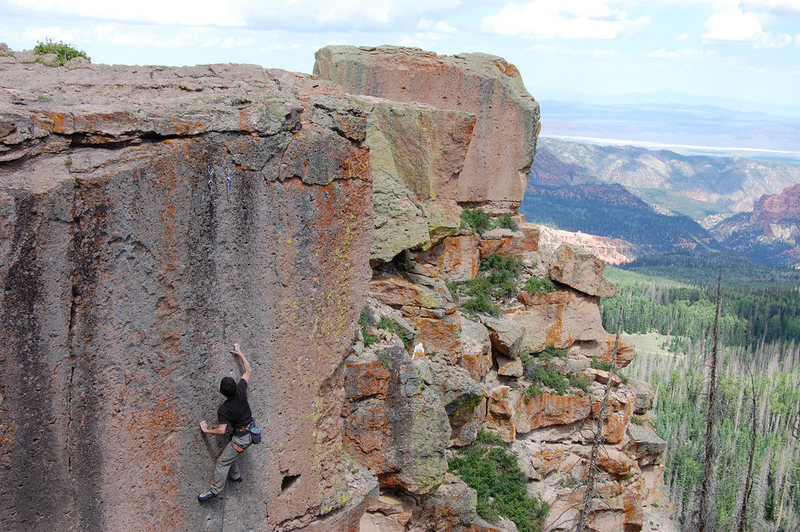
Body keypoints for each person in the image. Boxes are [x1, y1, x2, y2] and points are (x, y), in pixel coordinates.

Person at [197, 343, 254, 502]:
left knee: (222, 462)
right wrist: (240, 352)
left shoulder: (224, 409)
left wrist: (206, 429)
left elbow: (221, 430)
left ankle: (214, 491)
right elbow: (248, 371)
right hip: (250, 433)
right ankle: (235, 476)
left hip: (241, 438)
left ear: (222, 393)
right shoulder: (241, 389)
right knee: (231, 452)